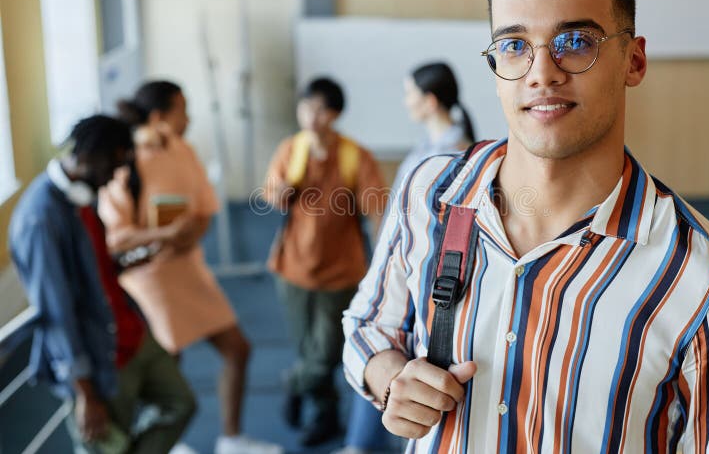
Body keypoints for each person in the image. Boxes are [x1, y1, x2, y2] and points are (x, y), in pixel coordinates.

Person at [343, 0, 709, 453]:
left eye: (575, 43)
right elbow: (367, 326)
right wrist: (390, 376)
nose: (542, 74)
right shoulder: (430, 191)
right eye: (514, 45)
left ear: (633, 62)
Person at [97, 81, 283, 454]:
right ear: (158, 117)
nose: (189, 117)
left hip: (187, 267)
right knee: (169, 364)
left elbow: (203, 208)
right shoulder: (125, 163)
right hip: (149, 278)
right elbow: (115, 239)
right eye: (182, 109)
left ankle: (231, 438)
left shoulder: (184, 150)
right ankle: (168, 442)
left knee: (238, 348)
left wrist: (188, 232)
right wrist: (165, 233)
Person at [8, 115, 197, 453]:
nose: (115, 176)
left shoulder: (82, 199)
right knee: (107, 445)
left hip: (130, 332)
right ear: (91, 155)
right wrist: (85, 396)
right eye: (114, 163)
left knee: (181, 403)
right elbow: (56, 314)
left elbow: (93, 268)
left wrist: (127, 261)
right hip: (97, 360)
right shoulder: (41, 219)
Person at [335, 62, 476, 454]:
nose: (405, 101)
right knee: (378, 342)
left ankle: (363, 445)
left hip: (431, 278)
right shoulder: (427, 146)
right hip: (400, 267)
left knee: (402, 361)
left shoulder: (454, 153)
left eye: (410, 93)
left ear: (429, 101)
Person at [261, 77, 388, 447]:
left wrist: (383, 262)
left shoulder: (354, 156)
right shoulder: (292, 149)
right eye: (306, 107)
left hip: (341, 272)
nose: (311, 116)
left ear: (334, 114)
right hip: (292, 268)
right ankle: (326, 417)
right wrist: (278, 192)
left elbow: (376, 211)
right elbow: (272, 192)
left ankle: (293, 382)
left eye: (319, 108)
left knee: (327, 352)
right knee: (308, 348)